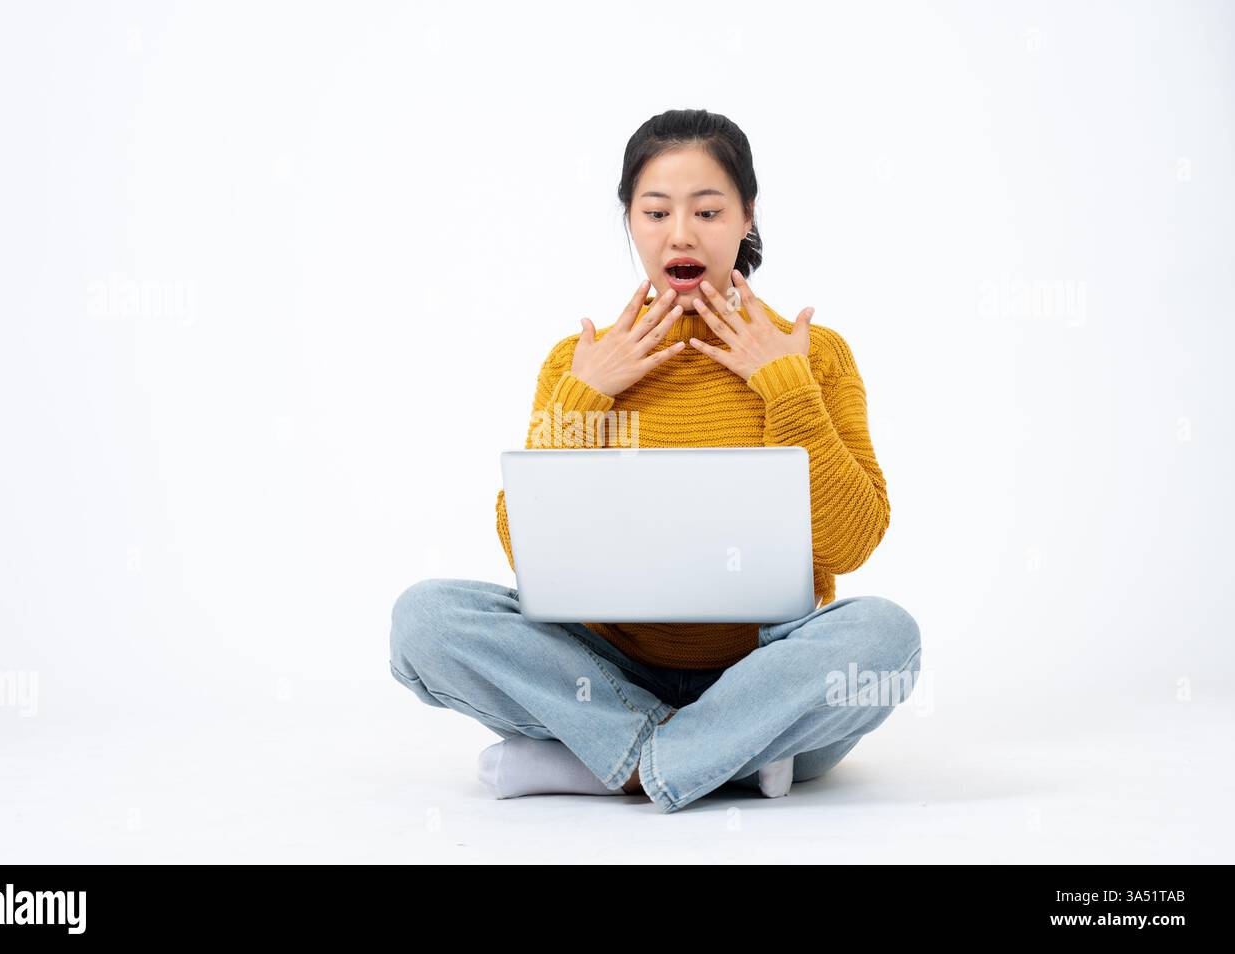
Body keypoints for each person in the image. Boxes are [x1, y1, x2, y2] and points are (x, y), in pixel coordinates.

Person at [390, 108, 922, 814]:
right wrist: (586, 396)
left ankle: (611, 759)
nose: (681, 233)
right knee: (423, 621)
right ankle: (711, 759)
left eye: (707, 210)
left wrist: (784, 386)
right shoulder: (577, 363)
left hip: (768, 678)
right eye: (656, 211)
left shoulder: (813, 355)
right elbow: (530, 556)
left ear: (747, 217)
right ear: (630, 222)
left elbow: (852, 543)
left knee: (887, 638)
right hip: (605, 674)